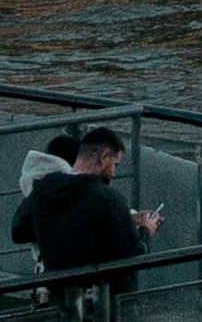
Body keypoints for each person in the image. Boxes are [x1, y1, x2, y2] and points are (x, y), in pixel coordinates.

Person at [13, 129, 156, 304]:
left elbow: (19, 230)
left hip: (59, 298)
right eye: (115, 164)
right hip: (103, 301)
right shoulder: (109, 199)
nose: (114, 173)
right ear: (103, 157)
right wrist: (146, 231)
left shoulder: (44, 190)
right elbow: (133, 255)